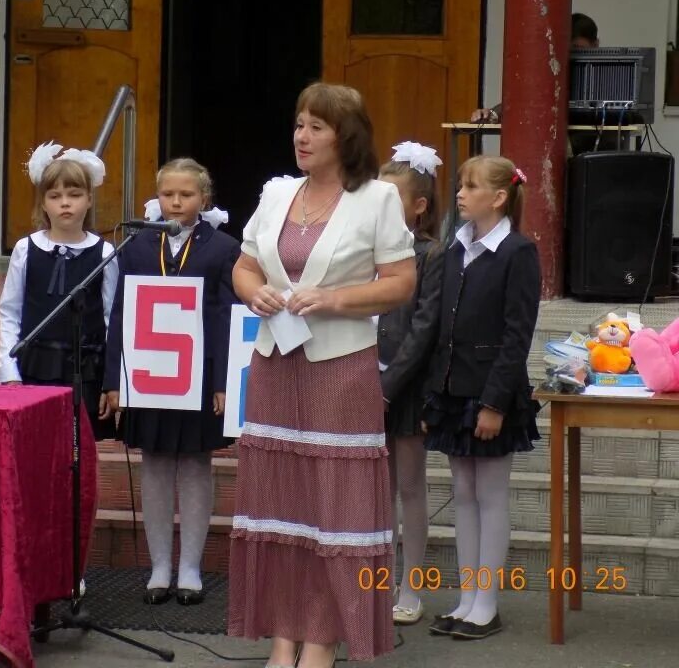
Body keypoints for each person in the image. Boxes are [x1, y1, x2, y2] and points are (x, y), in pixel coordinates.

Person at [228, 83, 416, 667]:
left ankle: (322, 640)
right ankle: (283, 639)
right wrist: (255, 291)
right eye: (298, 124)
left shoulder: (378, 198)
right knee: (282, 504)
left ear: (346, 137)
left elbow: (401, 282)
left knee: (333, 510)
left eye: (316, 127)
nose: (301, 137)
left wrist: (333, 299)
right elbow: (244, 265)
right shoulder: (277, 192)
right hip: (274, 366)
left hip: (340, 370)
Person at [102, 158, 239, 606]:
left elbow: (224, 318)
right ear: (156, 197)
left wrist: (223, 381)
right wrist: (115, 378)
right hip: (148, 374)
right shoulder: (138, 245)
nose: (176, 203)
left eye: (186, 195)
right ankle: (160, 565)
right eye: (168, 195)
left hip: (198, 376)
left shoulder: (222, 249)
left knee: (195, 464)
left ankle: (190, 567)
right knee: (156, 462)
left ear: (204, 199)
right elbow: (120, 313)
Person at [423, 155, 540, 640]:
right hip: (454, 388)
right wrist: (436, 391)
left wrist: (494, 403)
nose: (460, 194)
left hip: (492, 391)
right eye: (460, 186)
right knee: (464, 495)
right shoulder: (454, 249)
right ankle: (467, 597)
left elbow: (518, 334)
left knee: (490, 496)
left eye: (470, 187)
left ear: (498, 197)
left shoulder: (517, 252)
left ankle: (486, 603)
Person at [0, 142, 118, 441]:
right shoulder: (26, 249)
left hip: (86, 370)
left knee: (79, 450)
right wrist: (8, 370)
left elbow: (111, 319)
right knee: (36, 446)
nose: (65, 203)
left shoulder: (104, 252)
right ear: (43, 203)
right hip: (36, 367)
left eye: (75, 195)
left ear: (89, 200)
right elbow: (10, 311)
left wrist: (111, 382)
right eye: (56, 196)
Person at [376, 141, 446, 626]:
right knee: (374, 490)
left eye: (391, 199)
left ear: (419, 206)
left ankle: (412, 585)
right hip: (361, 379)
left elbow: (425, 327)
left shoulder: (431, 254)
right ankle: (376, 582)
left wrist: (389, 381)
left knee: (409, 486)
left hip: (407, 387)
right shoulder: (366, 252)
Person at [471, 12, 599, 124]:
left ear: (595, 45)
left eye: (578, 49)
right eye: (567, 50)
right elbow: (525, 100)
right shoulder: (554, 70)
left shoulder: (607, 76)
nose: (572, 56)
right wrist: (491, 114)